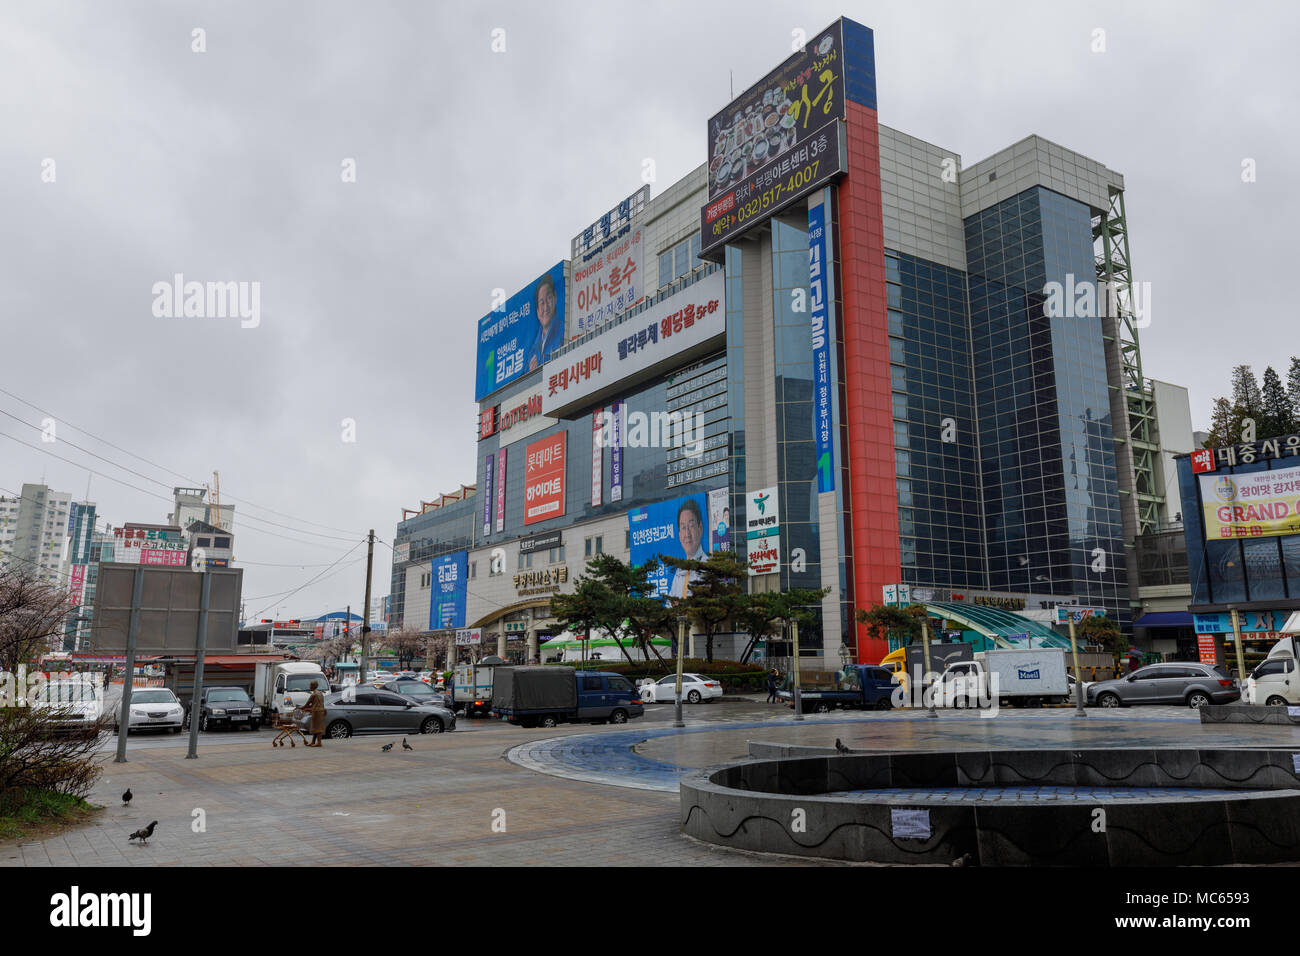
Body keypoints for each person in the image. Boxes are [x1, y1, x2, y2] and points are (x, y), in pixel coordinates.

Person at [669, 498, 707, 599]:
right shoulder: (679, 571)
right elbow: (670, 603)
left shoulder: (709, 567)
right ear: (679, 534)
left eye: (691, 526)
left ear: (700, 528)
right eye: (683, 528)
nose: (687, 534)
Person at [527, 272, 562, 371]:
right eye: (542, 303)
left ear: (555, 298)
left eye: (549, 298)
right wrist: (531, 373)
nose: (546, 307)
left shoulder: (563, 331)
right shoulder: (533, 350)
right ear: (537, 311)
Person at [303, 679, 326, 747]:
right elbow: (319, 703)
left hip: (316, 712)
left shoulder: (314, 694)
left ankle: (319, 743)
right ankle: (313, 742)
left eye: (310, 685)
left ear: (313, 686)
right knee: (316, 727)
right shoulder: (320, 693)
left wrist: (301, 708)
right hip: (321, 711)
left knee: (317, 728)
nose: (309, 686)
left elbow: (307, 704)